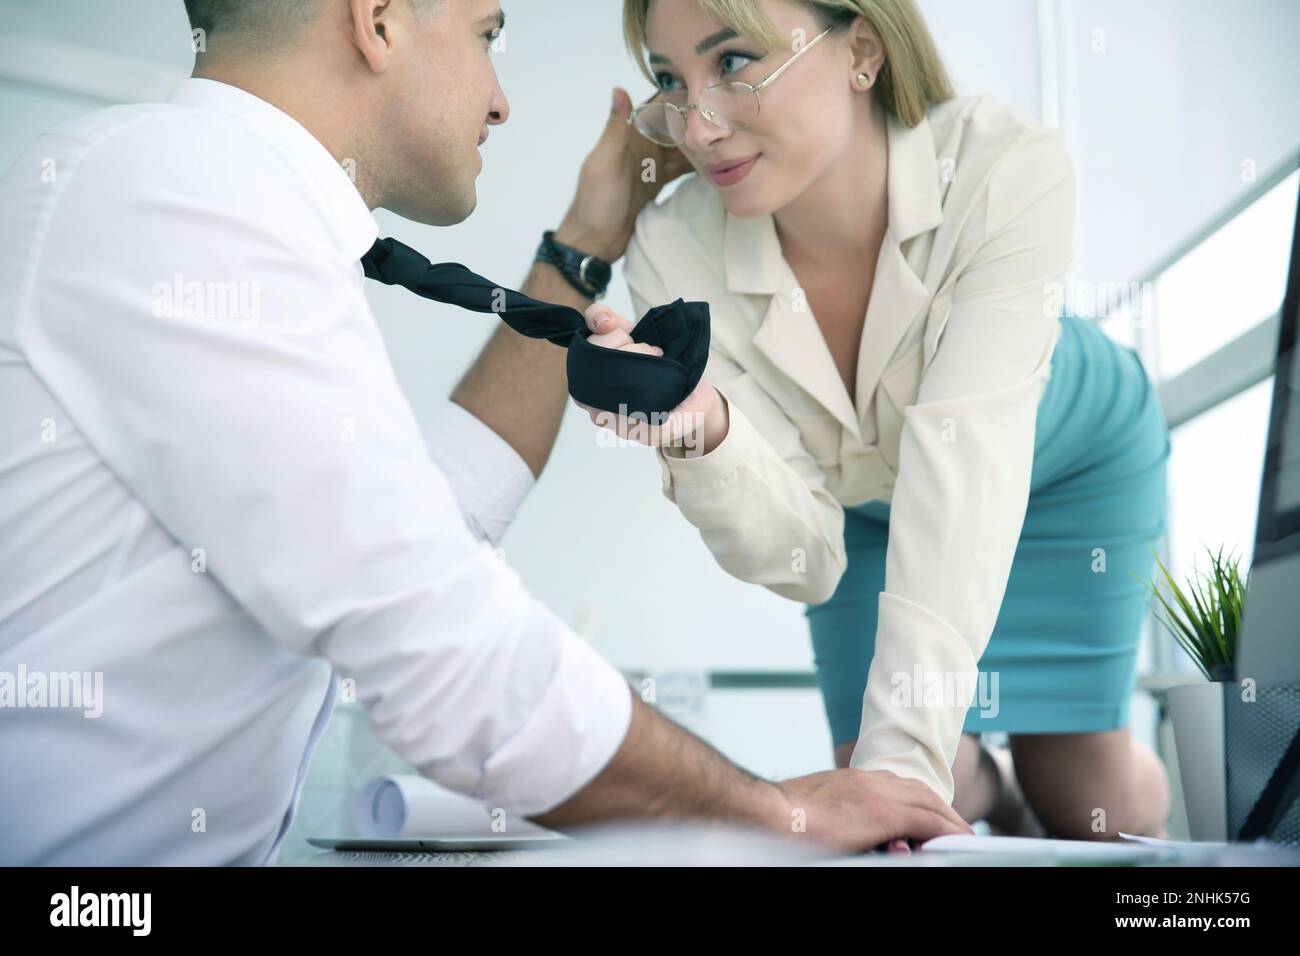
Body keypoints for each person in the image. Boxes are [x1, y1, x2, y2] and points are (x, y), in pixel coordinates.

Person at [0, 0, 971, 864]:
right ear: (377, 21)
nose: (501, 101)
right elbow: (433, 635)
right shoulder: (180, 194)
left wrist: (590, 237)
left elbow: (432, 518)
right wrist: (766, 812)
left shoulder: (206, 198)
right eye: (487, 34)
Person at [575, 0, 1172, 840]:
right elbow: (807, 556)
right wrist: (705, 429)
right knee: (922, 778)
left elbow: (964, 471)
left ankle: (1037, 780)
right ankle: (990, 788)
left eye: (734, 62)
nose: (698, 130)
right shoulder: (673, 249)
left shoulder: (1005, 167)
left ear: (861, 49)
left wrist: (899, 774)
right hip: (864, 503)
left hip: (1070, 463)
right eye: (671, 81)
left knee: (1089, 802)